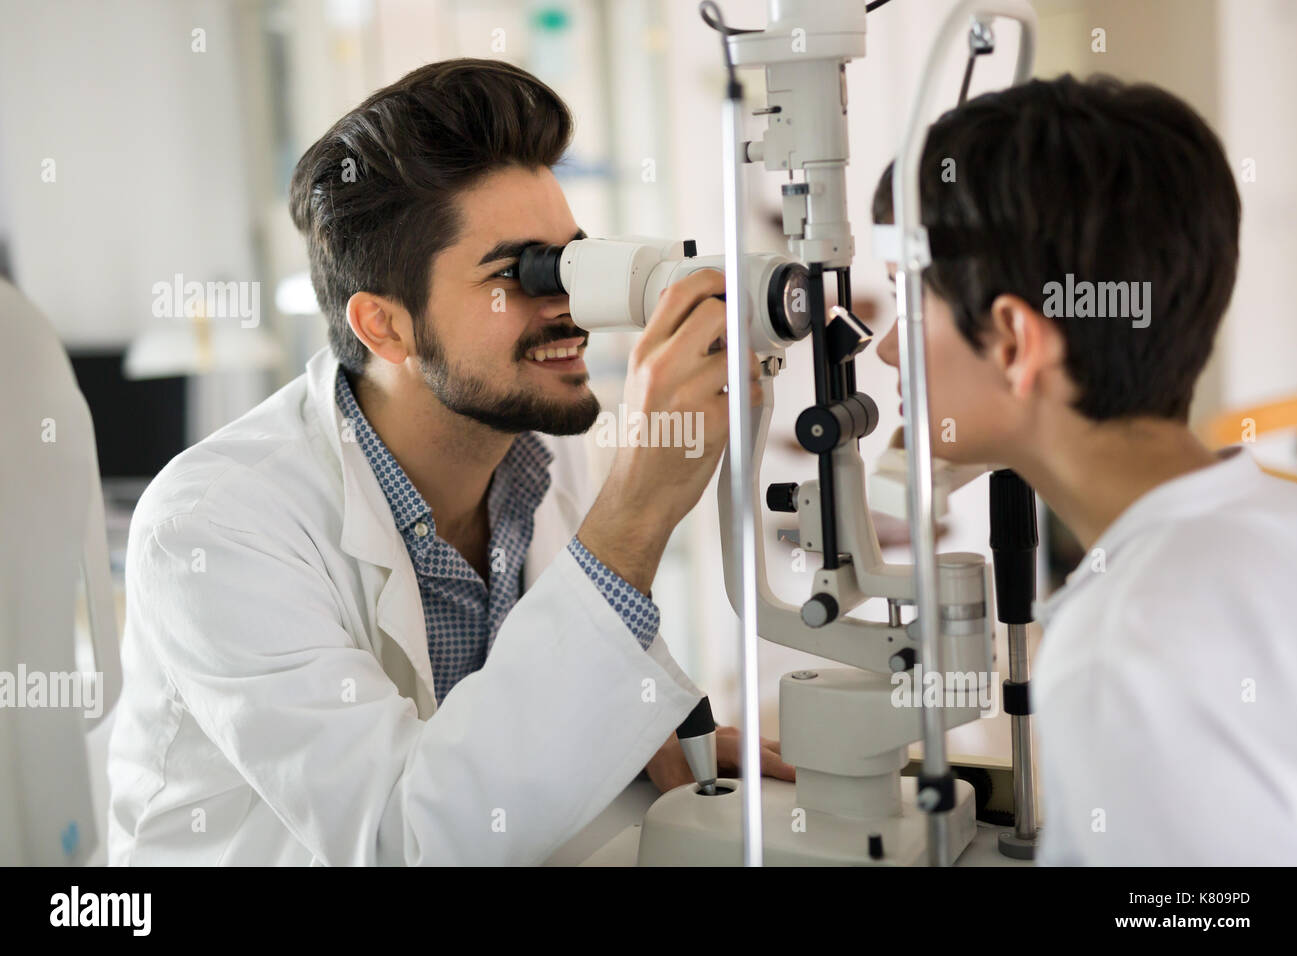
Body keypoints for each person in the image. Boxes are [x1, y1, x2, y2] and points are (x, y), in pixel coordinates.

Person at [107, 58, 791, 866]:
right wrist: (636, 512)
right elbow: (408, 841)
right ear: (385, 327)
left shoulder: (540, 455)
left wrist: (660, 732)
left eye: (571, 259)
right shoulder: (215, 526)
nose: (571, 303)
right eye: (519, 273)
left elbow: (585, 693)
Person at [869, 73, 1297, 865]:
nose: (887, 348)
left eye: (906, 301)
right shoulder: (1276, 524)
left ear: (1013, 342)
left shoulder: (1124, 651)